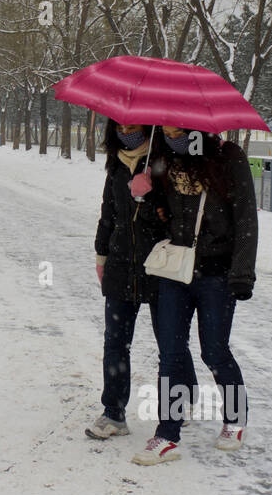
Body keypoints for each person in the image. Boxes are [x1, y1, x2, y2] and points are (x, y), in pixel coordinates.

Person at [132, 126, 257, 466]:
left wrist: (242, 273)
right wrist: (142, 192)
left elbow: (246, 216)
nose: (170, 127)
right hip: (174, 269)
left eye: (177, 122)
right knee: (170, 354)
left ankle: (235, 418)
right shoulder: (162, 158)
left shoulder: (227, 157)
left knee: (214, 351)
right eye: (166, 121)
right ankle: (168, 433)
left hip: (215, 273)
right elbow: (157, 216)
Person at [88, 122, 196, 439]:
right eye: (120, 121)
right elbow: (108, 213)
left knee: (171, 343)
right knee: (116, 342)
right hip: (121, 264)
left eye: (133, 122)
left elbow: (181, 215)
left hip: (161, 265)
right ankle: (113, 414)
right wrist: (101, 255)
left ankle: (183, 402)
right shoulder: (117, 162)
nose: (125, 126)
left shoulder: (167, 159)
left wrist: (154, 197)